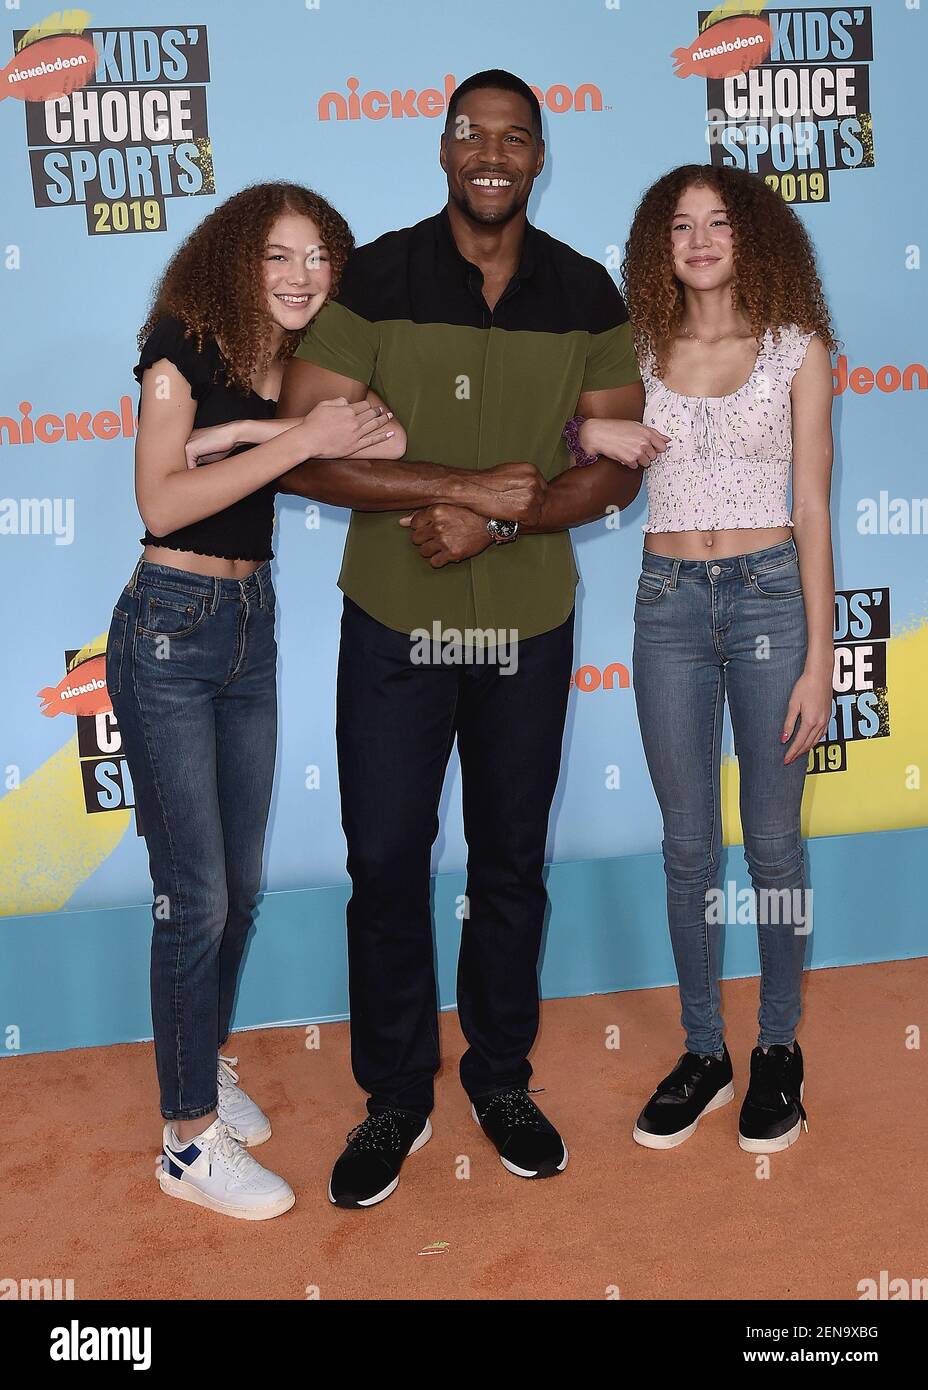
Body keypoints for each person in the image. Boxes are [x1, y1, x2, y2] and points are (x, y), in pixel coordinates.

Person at [274, 69, 667, 1209]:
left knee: (508, 866)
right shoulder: (381, 277)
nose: (491, 156)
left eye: (513, 140)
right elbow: (302, 451)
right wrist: (453, 484)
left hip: (527, 631)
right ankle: (394, 1093)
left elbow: (610, 468)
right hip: (395, 627)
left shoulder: (587, 290)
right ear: (443, 150)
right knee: (386, 864)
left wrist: (503, 514)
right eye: (472, 136)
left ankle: (499, 1078)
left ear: (539, 157)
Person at [105, 182, 403, 1221]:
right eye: (279, 255)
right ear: (238, 259)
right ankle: (185, 1140)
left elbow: (383, 445)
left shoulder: (294, 364)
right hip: (169, 624)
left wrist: (295, 430)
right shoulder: (180, 338)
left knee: (237, 880)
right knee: (196, 895)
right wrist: (292, 439)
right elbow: (158, 496)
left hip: (251, 627)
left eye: (319, 256)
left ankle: (202, 1055)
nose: (300, 275)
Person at [583, 164, 836, 1153]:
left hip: (772, 596)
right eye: (679, 225)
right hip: (667, 606)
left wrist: (819, 658)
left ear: (751, 237)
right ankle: (704, 1050)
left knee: (772, 843)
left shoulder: (795, 350)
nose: (697, 239)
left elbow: (811, 505)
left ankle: (776, 1049)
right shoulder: (635, 349)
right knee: (687, 844)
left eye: (717, 223)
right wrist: (582, 423)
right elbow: (579, 446)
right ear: (659, 243)